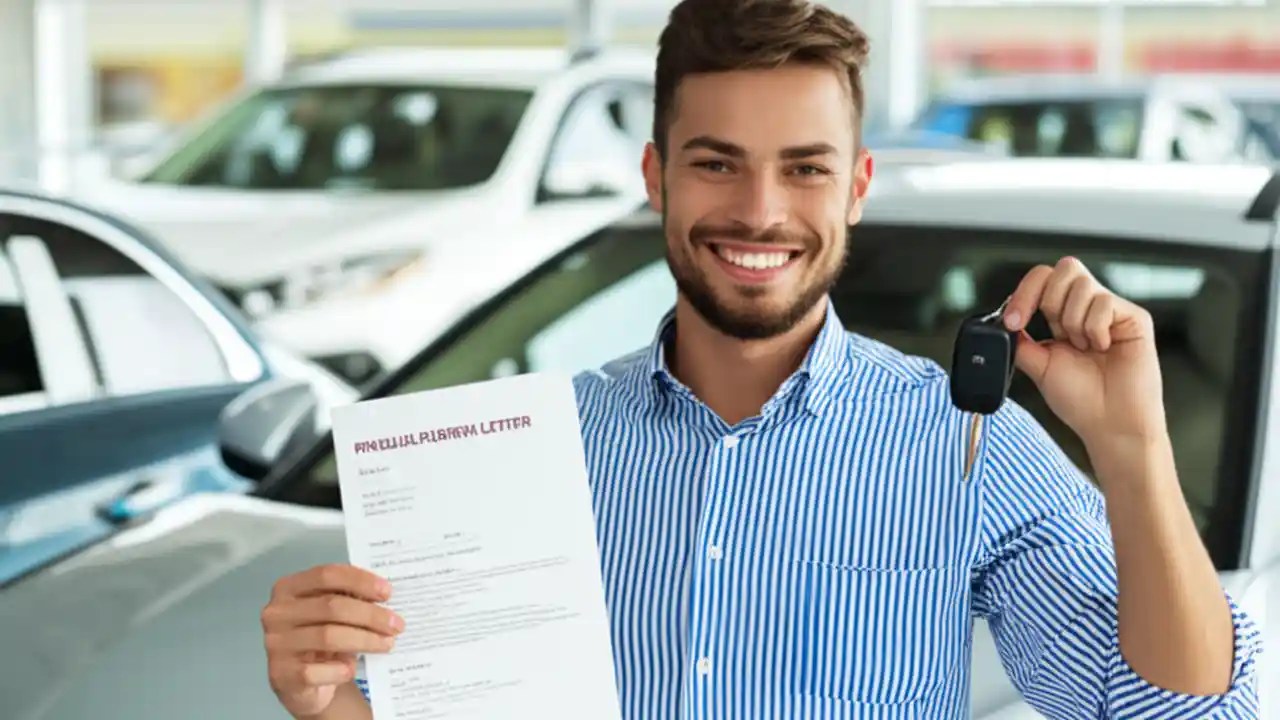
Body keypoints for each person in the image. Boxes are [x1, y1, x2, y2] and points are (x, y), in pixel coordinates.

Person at [258, 1, 1261, 718]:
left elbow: (1178, 713)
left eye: (803, 169)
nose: (758, 212)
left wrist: (1129, 447)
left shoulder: (968, 446)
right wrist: (334, 707)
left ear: (855, 186)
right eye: (715, 163)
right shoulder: (524, 454)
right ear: (655, 175)